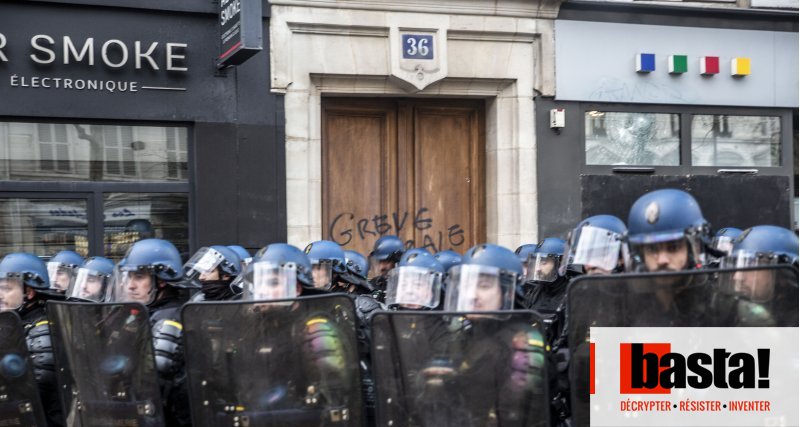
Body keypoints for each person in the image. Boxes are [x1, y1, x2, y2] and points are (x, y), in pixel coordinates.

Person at [109, 238, 193, 426]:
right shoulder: (141, 314)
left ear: (161, 280)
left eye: (139, 277)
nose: (129, 285)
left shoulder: (171, 319)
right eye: (128, 276)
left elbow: (151, 387)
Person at [0, 252, 63, 426]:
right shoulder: (14, 322)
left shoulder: (43, 327)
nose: (0, 295)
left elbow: (32, 392)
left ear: (29, 292)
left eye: (6, 288)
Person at [716, 225, 798, 326]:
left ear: (782, 275)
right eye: (738, 264)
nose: (737, 277)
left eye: (751, 265)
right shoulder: (731, 313)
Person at [563, 215, 628, 276]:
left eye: (600, 254)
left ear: (621, 258)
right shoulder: (580, 287)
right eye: (586, 256)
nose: (589, 266)